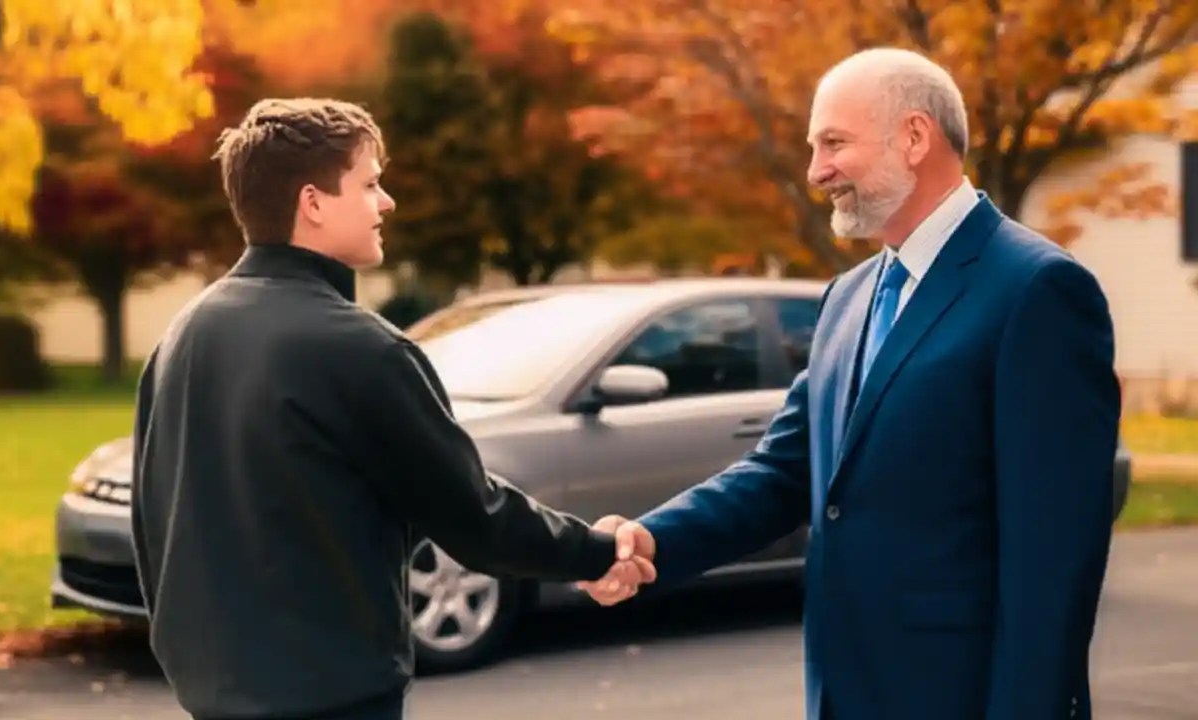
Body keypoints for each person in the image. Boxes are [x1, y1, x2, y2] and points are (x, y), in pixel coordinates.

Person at [581, 48, 1121, 720]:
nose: (816, 172)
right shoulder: (847, 296)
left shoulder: (1038, 290)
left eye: (834, 143)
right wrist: (650, 539)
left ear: (915, 138)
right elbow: (781, 474)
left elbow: (1053, 561)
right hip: (842, 694)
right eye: (814, 148)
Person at [129, 98, 654, 720]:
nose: (387, 203)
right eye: (371, 184)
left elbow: (151, 523)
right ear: (313, 203)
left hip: (213, 697)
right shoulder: (360, 349)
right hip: (332, 702)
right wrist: (595, 552)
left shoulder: (183, 334)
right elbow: (471, 513)